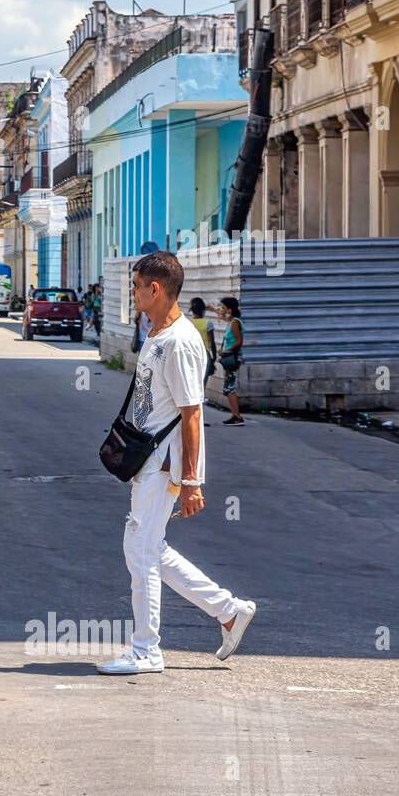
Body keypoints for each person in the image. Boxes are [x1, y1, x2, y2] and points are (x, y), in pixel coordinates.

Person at [97, 251, 256, 675]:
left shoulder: (181, 342)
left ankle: (147, 651)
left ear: (155, 288)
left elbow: (193, 413)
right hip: (148, 459)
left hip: (164, 464)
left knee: (141, 550)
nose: (131, 292)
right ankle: (228, 611)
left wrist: (192, 481)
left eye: (135, 286)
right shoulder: (156, 334)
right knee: (149, 548)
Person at [217, 296, 245, 426]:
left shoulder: (235, 323)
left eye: (223, 308)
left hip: (232, 358)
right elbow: (222, 317)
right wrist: (213, 310)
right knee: (229, 387)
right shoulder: (232, 320)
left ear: (229, 309)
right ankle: (235, 415)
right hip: (230, 358)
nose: (221, 310)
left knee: (230, 388)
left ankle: (237, 416)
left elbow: (239, 341)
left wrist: (225, 351)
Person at [189, 297, 217, 382]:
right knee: (202, 382)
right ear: (203, 310)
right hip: (204, 355)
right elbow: (212, 342)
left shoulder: (188, 323)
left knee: (193, 381)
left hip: (190, 354)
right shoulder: (208, 323)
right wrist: (214, 358)